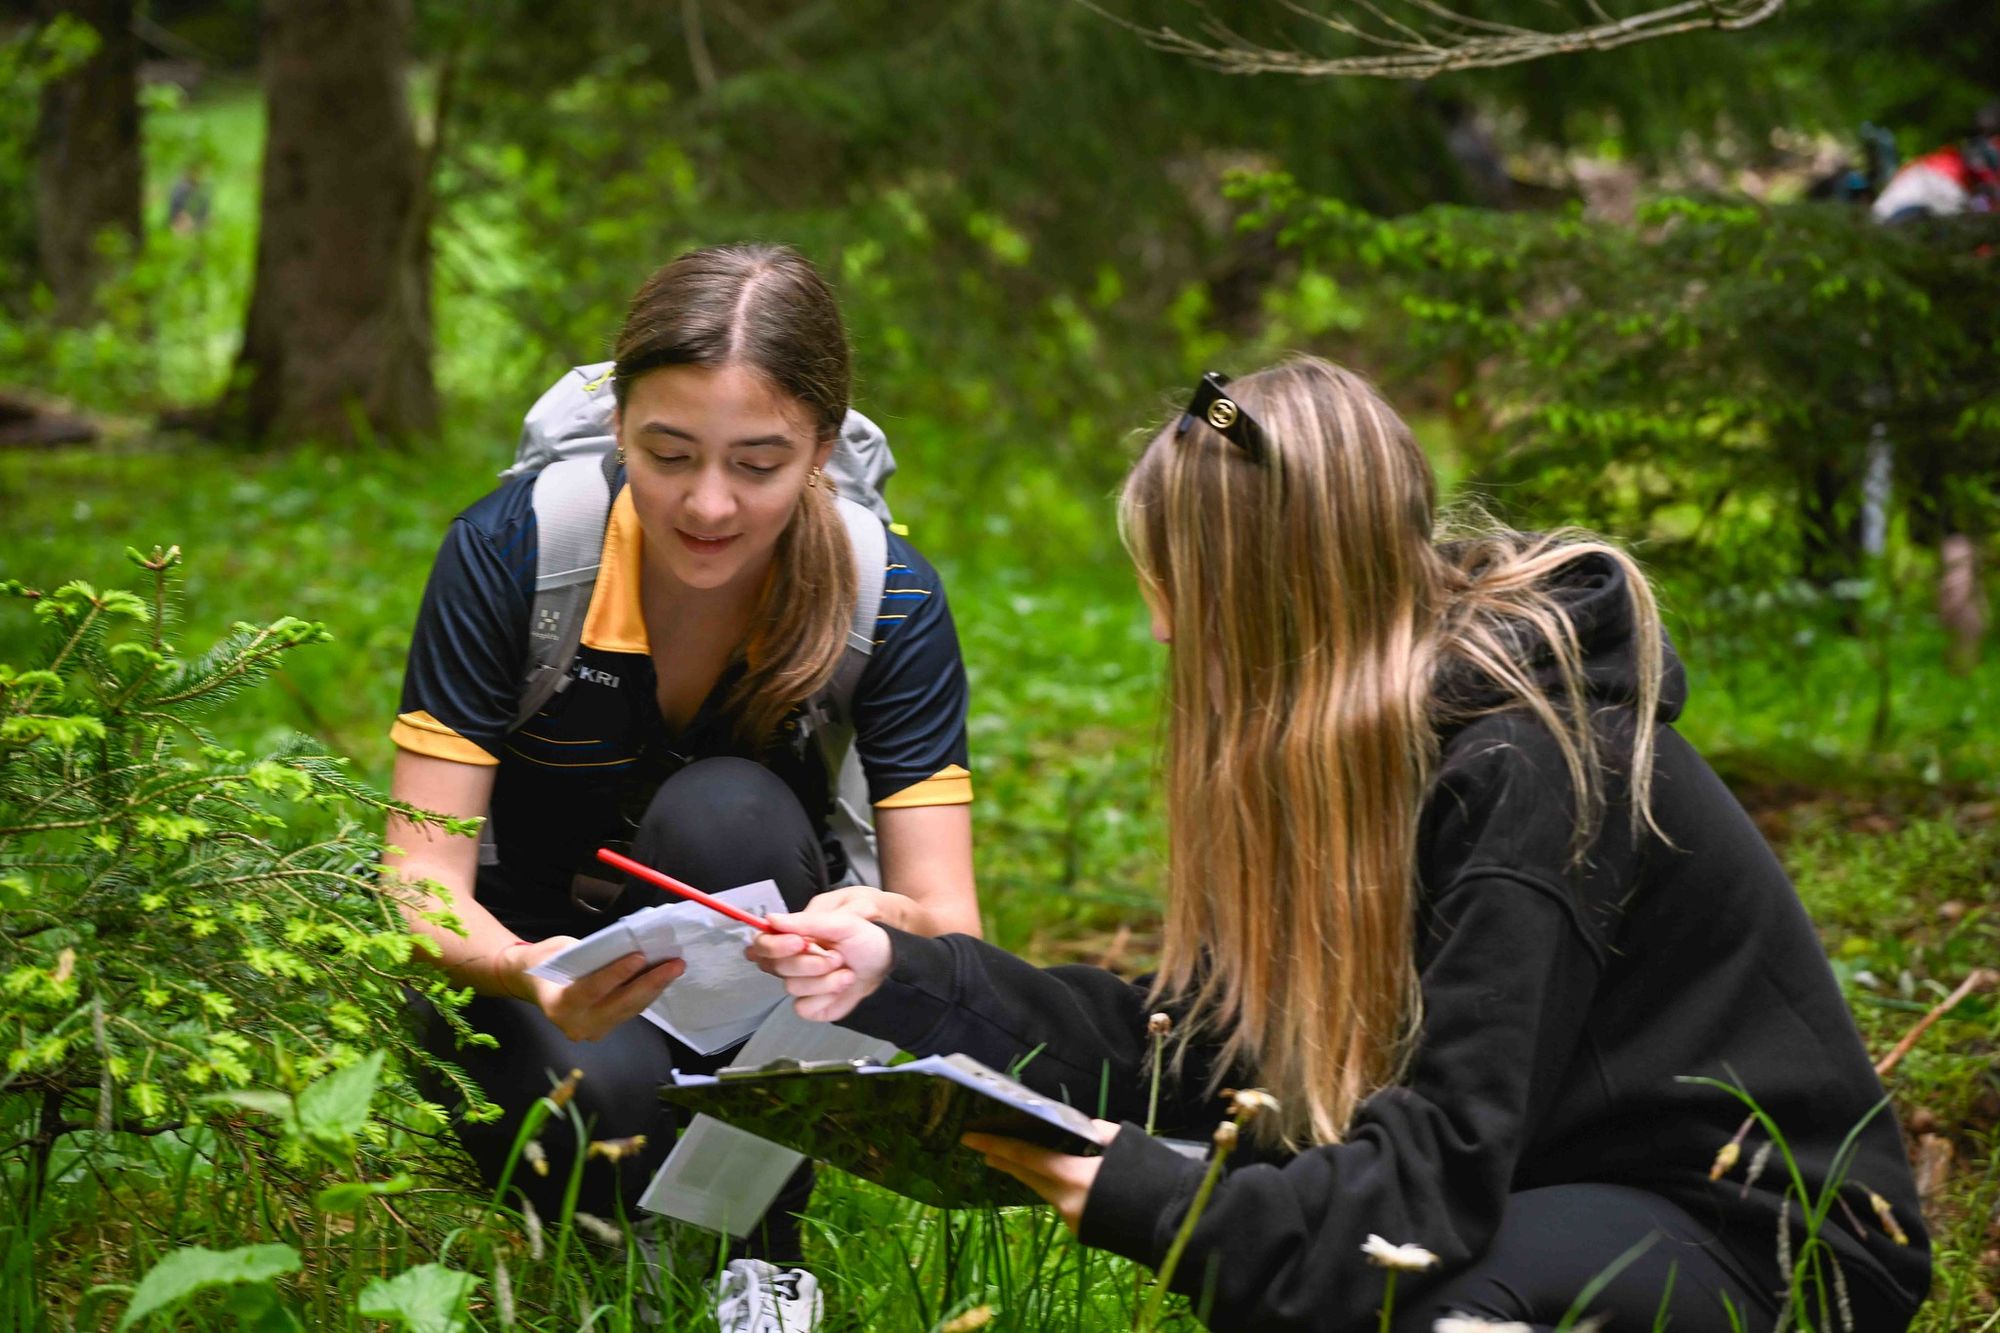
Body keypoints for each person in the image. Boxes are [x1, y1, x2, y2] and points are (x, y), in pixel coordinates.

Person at [750, 358, 1932, 1331]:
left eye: (1181, 590)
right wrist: (911, 980)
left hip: (1768, 1246)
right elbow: (1215, 1044)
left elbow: (1431, 1180)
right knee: (1309, 1255)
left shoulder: (1530, 771)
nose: (1160, 627)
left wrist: (1145, 1193)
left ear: (1276, 601)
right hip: (1561, 1185)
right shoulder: (1381, 756)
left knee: (1373, 1283)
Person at [383, 244, 978, 1331]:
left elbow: (947, 921)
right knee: (597, 1128)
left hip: (756, 998)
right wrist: (527, 971)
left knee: (731, 807)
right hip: (528, 966)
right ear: (618, 426)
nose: (708, 505)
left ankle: (763, 1255)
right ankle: (634, 1193)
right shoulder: (515, 549)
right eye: (668, 453)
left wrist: (879, 917)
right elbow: (417, 886)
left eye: (758, 463)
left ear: (819, 449)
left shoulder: (884, 593)